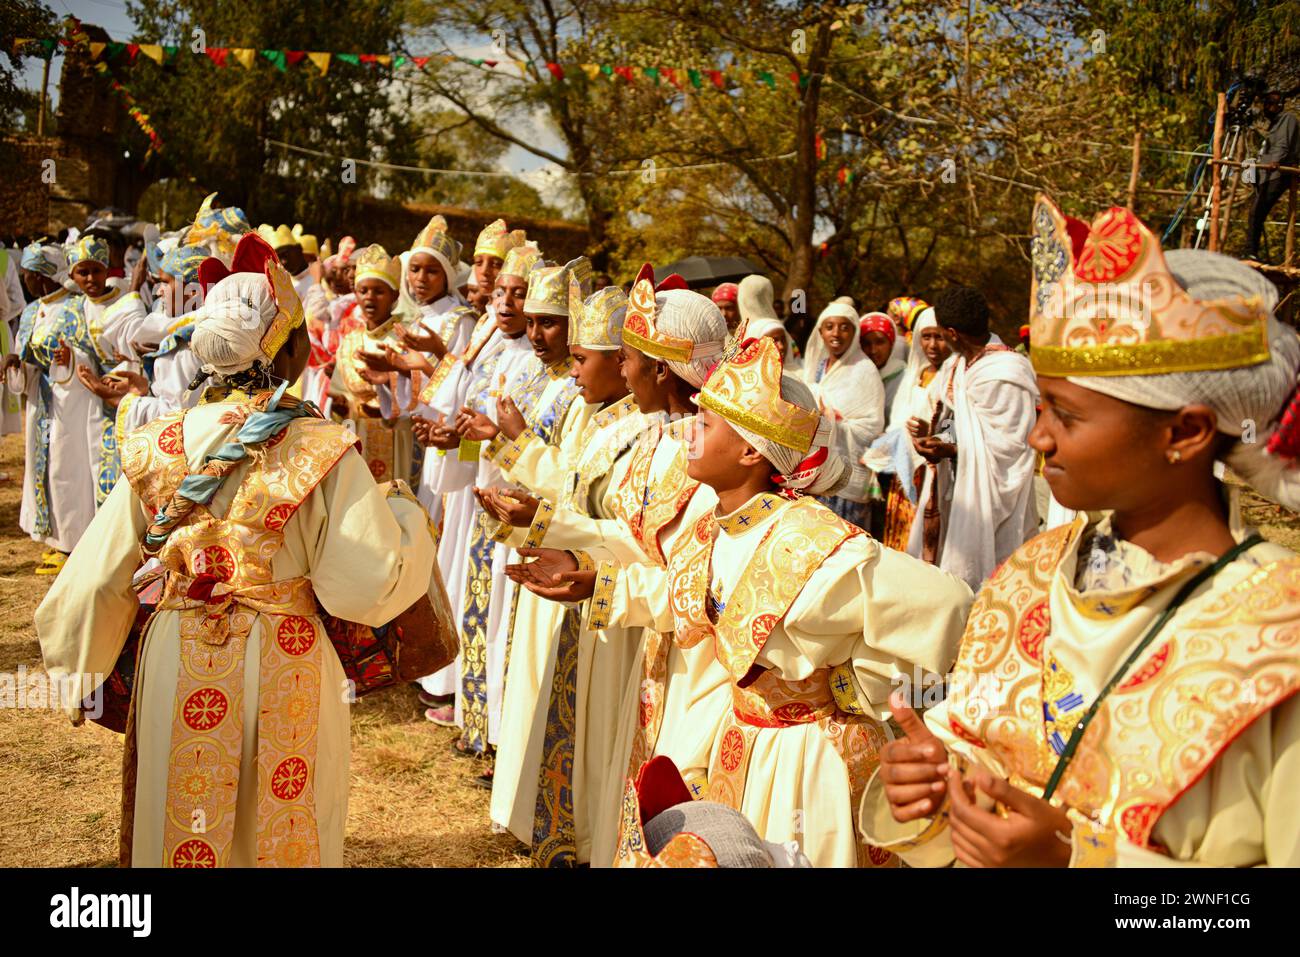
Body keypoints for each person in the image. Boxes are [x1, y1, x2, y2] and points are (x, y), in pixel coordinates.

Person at [866, 194, 1300, 868]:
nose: (1037, 436)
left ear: (1183, 431)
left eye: (1064, 415)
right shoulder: (1029, 578)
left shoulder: (1281, 629)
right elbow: (970, 774)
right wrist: (932, 783)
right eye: (1040, 406)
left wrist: (1082, 861)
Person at [34, 232, 439, 867]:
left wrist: (80, 673)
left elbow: (94, 577)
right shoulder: (322, 447)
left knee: (180, 817)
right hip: (290, 653)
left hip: (176, 652)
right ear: (288, 349)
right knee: (279, 823)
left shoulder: (157, 442)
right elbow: (364, 580)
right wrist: (407, 516)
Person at [558, 335, 970, 866]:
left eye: (704, 426)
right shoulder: (715, 527)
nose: (689, 434)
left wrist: (855, 684)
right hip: (742, 745)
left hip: (808, 759)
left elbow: (950, 604)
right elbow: (690, 597)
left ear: (751, 451)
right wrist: (596, 582)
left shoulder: (811, 543)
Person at [502, 267, 733, 866]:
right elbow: (626, 535)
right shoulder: (665, 438)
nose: (624, 372)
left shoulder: (708, 455)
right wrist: (561, 539)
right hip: (648, 642)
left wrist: (596, 577)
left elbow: (700, 582)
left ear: (661, 368)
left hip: (692, 661)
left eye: (628, 358)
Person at [410, 241, 542, 725]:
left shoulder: (536, 363)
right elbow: (472, 421)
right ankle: (463, 698)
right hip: (478, 492)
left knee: (499, 608)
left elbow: (530, 444)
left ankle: (491, 716)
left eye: (519, 294)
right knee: (471, 593)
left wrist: (468, 443)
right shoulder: (490, 344)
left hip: (513, 500)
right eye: (501, 292)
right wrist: (452, 442)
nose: (505, 303)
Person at [907, 285, 1038, 590]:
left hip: (994, 497)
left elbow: (1009, 448)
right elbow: (955, 420)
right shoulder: (957, 365)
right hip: (956, 488)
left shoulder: (1006, 372)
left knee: (993, 582)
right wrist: (933, 436)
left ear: (951, 333)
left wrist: (949, 448)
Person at [8, 241, 75, 571]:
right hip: (39, 403)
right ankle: (52, 537)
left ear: (43, 275)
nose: (23, 277)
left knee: (65, 468)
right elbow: (25, 360)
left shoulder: (74, 307)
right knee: (42, 467)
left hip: (68, 402)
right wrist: (16, 366)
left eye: (28, 273)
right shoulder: (32, 311)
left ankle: (70, 542)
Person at [330, 244, 420, 484]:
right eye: (363, 290)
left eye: (378, 291)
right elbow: (340, 393)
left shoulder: (406, 338)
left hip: (397, 438)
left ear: (394, 295)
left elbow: (420, 391)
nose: (369, 297)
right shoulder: (349, 341)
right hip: (358, 435)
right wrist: (342, 405)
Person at [862, 305, 949, 551]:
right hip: (903, 469)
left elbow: (954, 426)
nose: (932, 345)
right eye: (927, 336)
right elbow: (899, 419)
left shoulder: (954, 379)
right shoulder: (915, 374)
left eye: (939, 337)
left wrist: (932, 435)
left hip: (932, 471)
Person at [801, 297, 886, 527]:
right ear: (820, 332)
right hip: (814, 473)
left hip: (847, 477)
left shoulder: (864, 370)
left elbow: (872, 427)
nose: (836, 333)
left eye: (844, 327)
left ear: (854, 332)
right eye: (829, 327)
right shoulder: (817, 368)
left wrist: (831, 420)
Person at [1244, 90, 1299, 263]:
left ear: (1280, 105)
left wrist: (1275, 161)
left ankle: (1251, 252)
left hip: (1276, 174)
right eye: (1265, 103)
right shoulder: (1273, 125)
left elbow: (1283, 144)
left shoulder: (1287, 119)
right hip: (1265, 175)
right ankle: (1251, 252)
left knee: (1256, 213)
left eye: (1271, 103)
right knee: (1255, 214)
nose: (1267, 107)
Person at [859, 311, 906, 410]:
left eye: (880, 342)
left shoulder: (905, 377)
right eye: (866, 343)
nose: (873, 350)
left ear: (891, 343)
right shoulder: (853, 375)